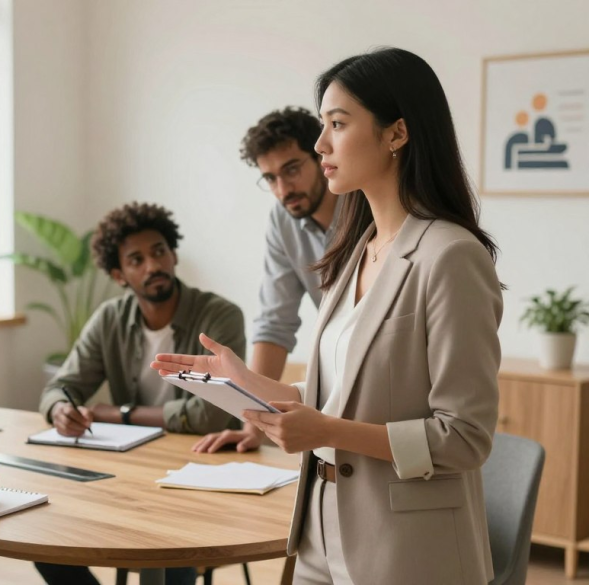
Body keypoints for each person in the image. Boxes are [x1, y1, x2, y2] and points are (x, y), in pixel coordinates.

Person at [154, 47, 502, 584]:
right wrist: (248, 385)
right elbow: (340, 400)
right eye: (323, 125)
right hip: (321, 537)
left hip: (406, 552)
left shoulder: (450, 256)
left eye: (337, 124)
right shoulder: (355, 251)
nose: (321, 145)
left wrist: (326, 430)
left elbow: (464, 438)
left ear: (397, 134)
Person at [37, 201, 246, 585]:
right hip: (130, 472)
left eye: (159, 252)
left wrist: (117, 413)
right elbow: (57, 389)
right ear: (119, 274)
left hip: (202, 472)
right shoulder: (110, 319)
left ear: (174, 254)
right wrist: (61, 410)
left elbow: (209, 416)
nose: (152, 266)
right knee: (45, 536)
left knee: (170, 546)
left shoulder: (219, 316)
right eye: (136, 260)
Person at [195, 107, 341, 454]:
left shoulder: (370, 207)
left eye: (291, 170)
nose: (283, 189)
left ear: (321, 156)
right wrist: (252, 428)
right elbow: (276, 323)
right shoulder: (283, 220)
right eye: (270, 178)